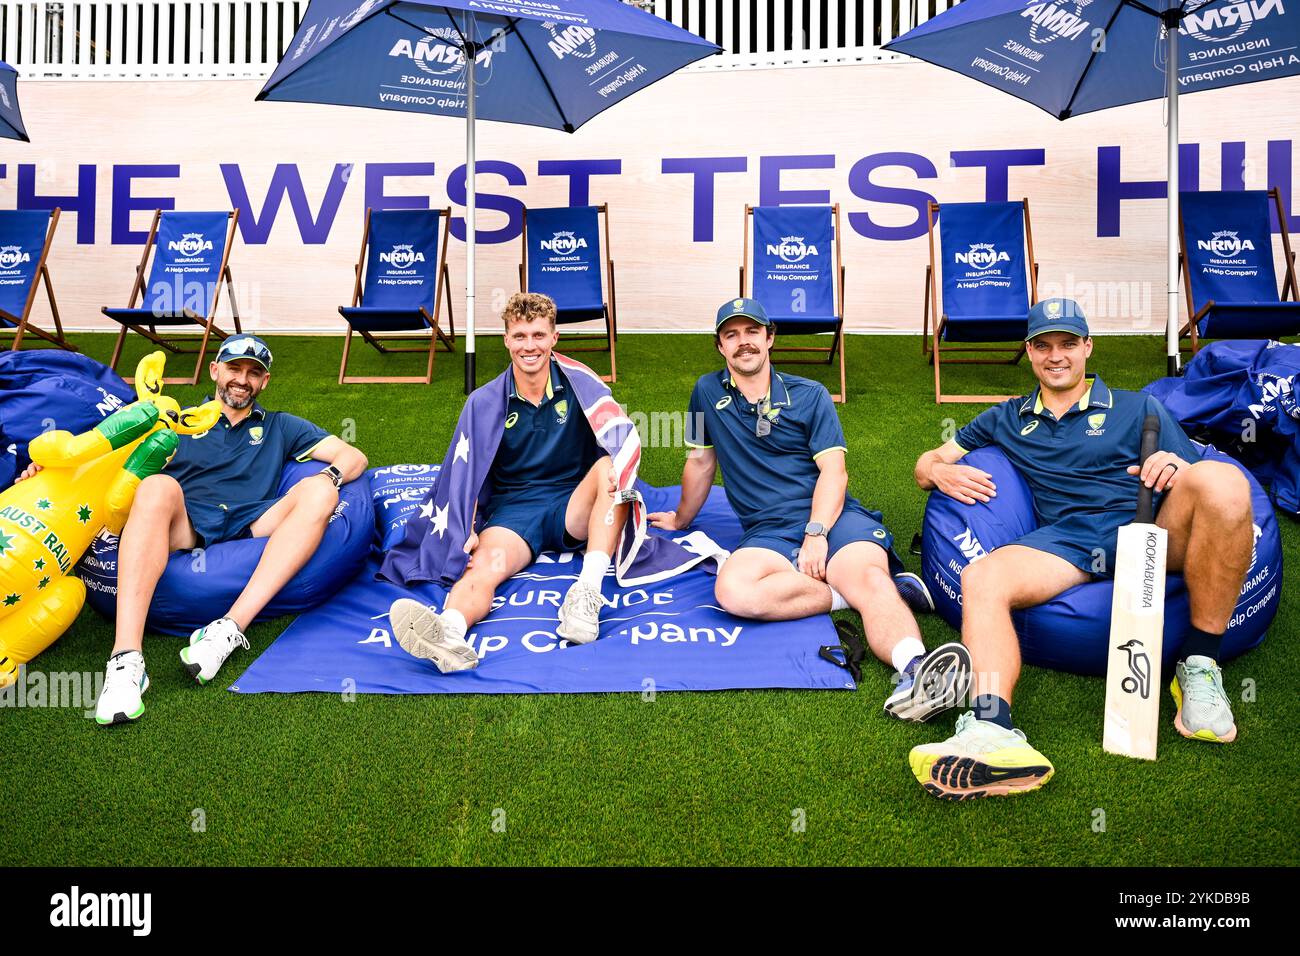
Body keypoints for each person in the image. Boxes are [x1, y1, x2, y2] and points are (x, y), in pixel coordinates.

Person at [911, 298, 1254, 800]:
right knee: (982, 577)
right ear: (1029, 352)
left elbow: (1195, 472)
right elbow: (927, 462)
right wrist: (938, 471)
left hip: (1153, 534)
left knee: (1225, 484)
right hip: (1067, 542)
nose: (1056, 356)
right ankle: (991, 730)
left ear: (1087, 347)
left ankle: (1199, 665)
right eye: (1043, 345)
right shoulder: (1006, 417)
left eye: (1068, 344)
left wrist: (1175, 471)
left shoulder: (1140, 407)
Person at [17, 334, 369, 724]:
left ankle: (228, 629)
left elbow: (353, 455)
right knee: (155, 486)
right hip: (187, 522)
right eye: (234, 368)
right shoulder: (173, 418)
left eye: (254, 373)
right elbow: (102, 459)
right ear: (215, 370)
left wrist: (330, 475)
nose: (242, 379)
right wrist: (46, 474)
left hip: (251, 521)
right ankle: (126, 659)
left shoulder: (282, 426)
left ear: (264, 382)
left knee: (322, 490)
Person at [649, 298, 970, 720]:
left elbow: (835, 473)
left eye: (751, 333)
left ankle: (919, 673)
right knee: (733, 591)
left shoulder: (811, 394)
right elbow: (699, 460)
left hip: (833, 516)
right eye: (731, 335)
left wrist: (816, 533)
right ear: (720, 347)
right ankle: (843, 595)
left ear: (769, 338)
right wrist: (681, 517)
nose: (743, 342)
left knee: (870, 578)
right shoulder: (704, 392)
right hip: (767, 529)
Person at [387, 293, 630, 672]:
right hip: (514, 511)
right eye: (519, 336)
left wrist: (621, 477)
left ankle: (587, 593)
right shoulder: (483, 402)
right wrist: (465, 527)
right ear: (505, 340)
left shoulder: (583, 386)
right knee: (482, 567)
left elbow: (618, 440)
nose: (529, 346)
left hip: (573, 504)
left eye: (537, 335)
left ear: (554, 338)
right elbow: (463, 474)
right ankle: (449, 634)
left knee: (606, 470)